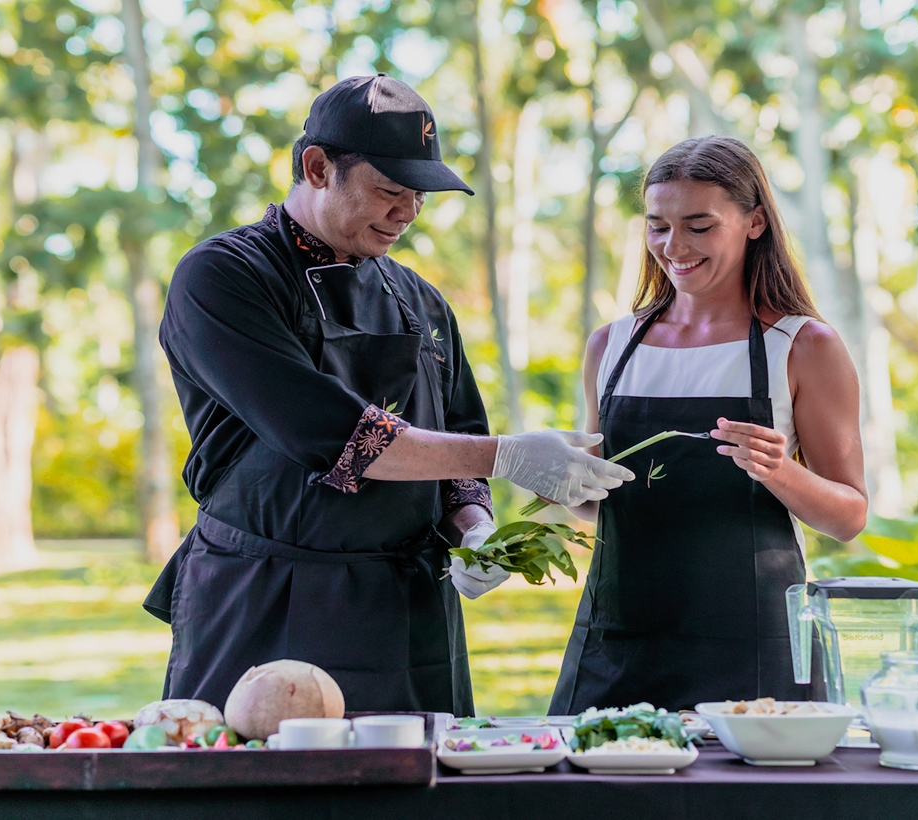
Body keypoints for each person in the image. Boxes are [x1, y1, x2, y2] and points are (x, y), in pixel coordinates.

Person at [144, 74, 634, 715]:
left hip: (406, 605)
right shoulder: (224, 276)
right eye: (388, 191)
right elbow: (333, 434)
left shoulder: (421, 300)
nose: (407, 212)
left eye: (419, 195)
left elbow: (458, 428)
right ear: (318, 168)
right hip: (269, 595)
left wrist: (475, 528)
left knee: (416, 793)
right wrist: (508, 456)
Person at [550, 136, 867, 713]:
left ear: (754, 223)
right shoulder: (612, 345)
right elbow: (599, 504)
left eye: (699, 226)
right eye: (658, 226)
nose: (675, 247)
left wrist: (778, 471)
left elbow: (849, 516)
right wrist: (563, 483)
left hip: (754, 648)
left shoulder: (802, 345)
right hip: (618, 644)